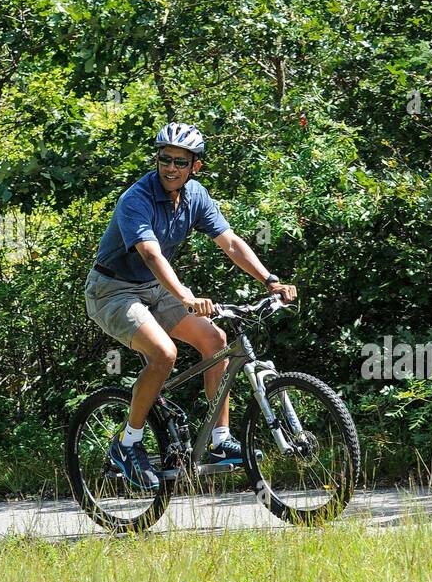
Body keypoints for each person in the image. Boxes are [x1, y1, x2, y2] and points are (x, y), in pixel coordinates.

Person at [85, 122, 297, 489]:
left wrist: (270, 281)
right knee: (164, 354)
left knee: (215, 340)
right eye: (165, 159)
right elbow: (150, 253)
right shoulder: (135, 198)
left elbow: (230, 242)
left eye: (180, 162)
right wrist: (184, 296)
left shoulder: (195, 196)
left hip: (153, 288)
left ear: (194, 166)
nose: (170, 168)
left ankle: (220, 441)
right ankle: (127, 443)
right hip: (112, 290)